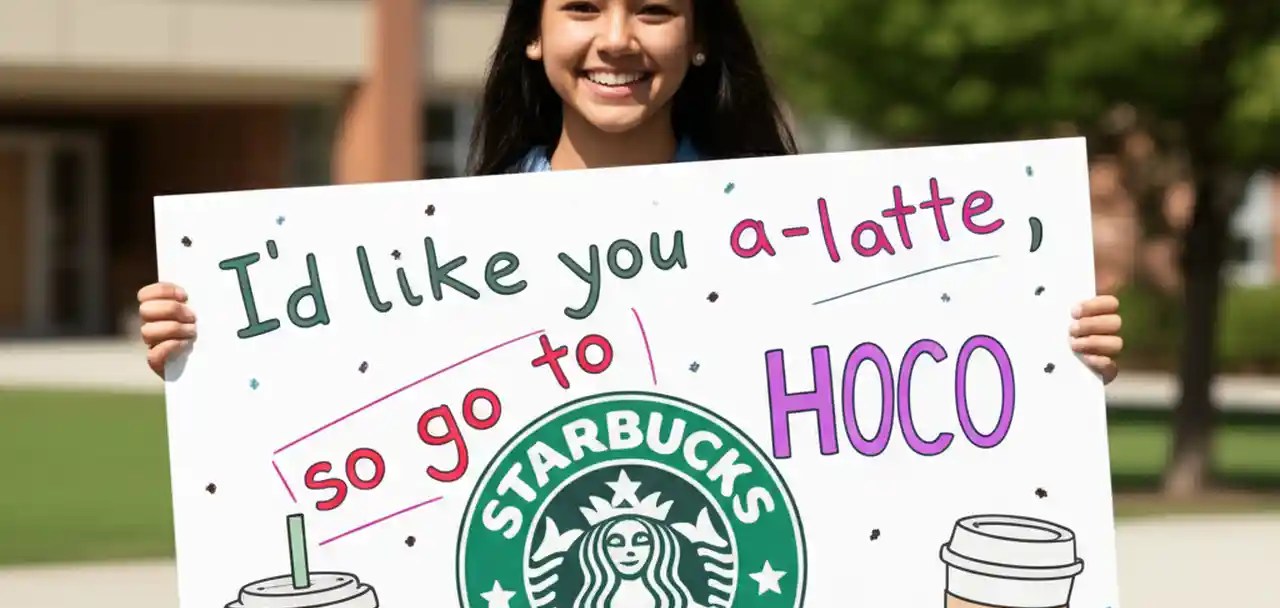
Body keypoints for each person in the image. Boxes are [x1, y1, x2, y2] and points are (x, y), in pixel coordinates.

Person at [135, 0, 1124, 381]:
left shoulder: (798, 236)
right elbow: (331, 392)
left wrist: (1052, 341)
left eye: (652, 10)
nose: (616, 40)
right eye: (581, 8)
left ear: (697, 42)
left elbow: (926, 373)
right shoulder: (440, 252)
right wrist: (207, 340)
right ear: (534, 37)